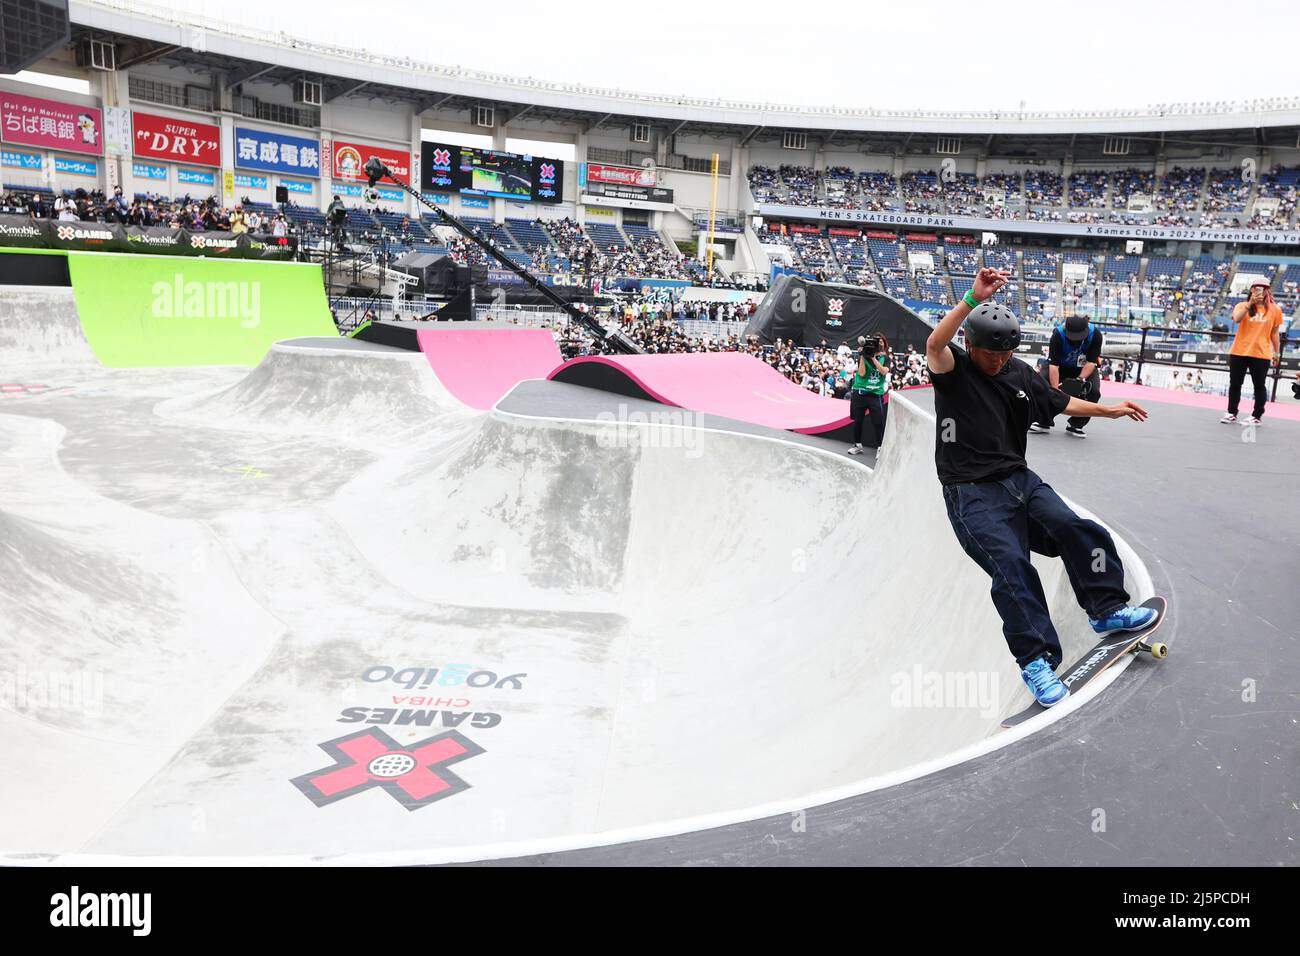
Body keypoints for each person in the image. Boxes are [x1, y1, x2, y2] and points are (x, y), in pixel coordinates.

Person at [926, 267, 1157, 707]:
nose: (998, 362)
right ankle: (1036, 662)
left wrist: (1108, 411)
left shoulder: (1019, 373)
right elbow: (934, 344)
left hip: (1019, 481)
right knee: (1012, 566)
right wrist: (971, 301)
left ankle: (1106, 610)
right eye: (991, 354)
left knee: (1076, 527)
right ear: (971, 346)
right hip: (971, 493)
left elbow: (1060, 401)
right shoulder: (953, 370)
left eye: (1006, 354)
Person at [1031, 314, 1103, 438]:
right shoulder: (1058, 334)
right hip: (1061, 366)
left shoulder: (1095, 334)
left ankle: (1076, 424)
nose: (1076, 340)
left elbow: (1091, 362)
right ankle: (1043, 420)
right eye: (1073, 337)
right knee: (1041, 383)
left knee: (1094, 391)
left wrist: (1079, 380)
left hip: (1083, 367)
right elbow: (1054, 366)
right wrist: (1055, 391)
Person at [1220, 282, 1283, 425]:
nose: (1259, 292)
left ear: (1267, 291)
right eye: (1256, 289)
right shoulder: (1242, 305)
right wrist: (1250, 304)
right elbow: (1237, 319)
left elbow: (1275, 333)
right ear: (1251, 290)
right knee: (1235, 384)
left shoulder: (1275, 309)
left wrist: (1277, 353)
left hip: (1261, 353)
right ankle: (1231, 412)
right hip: (1239, 351)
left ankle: (1256, 416)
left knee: (1259, 385)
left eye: (1263, 289)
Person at [847, 334, 890, 455]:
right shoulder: (863, 356)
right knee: (858, 421)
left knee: (878, 422)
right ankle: (857, 445)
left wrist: (873, 358)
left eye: (881, 342)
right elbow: (861, 374)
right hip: (860, 393)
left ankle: (880, 448)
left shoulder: (886, 358)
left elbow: (883, 372)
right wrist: (862, 356)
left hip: (875, 394)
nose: (879, 344)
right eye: (878, 342)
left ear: (884, 345)